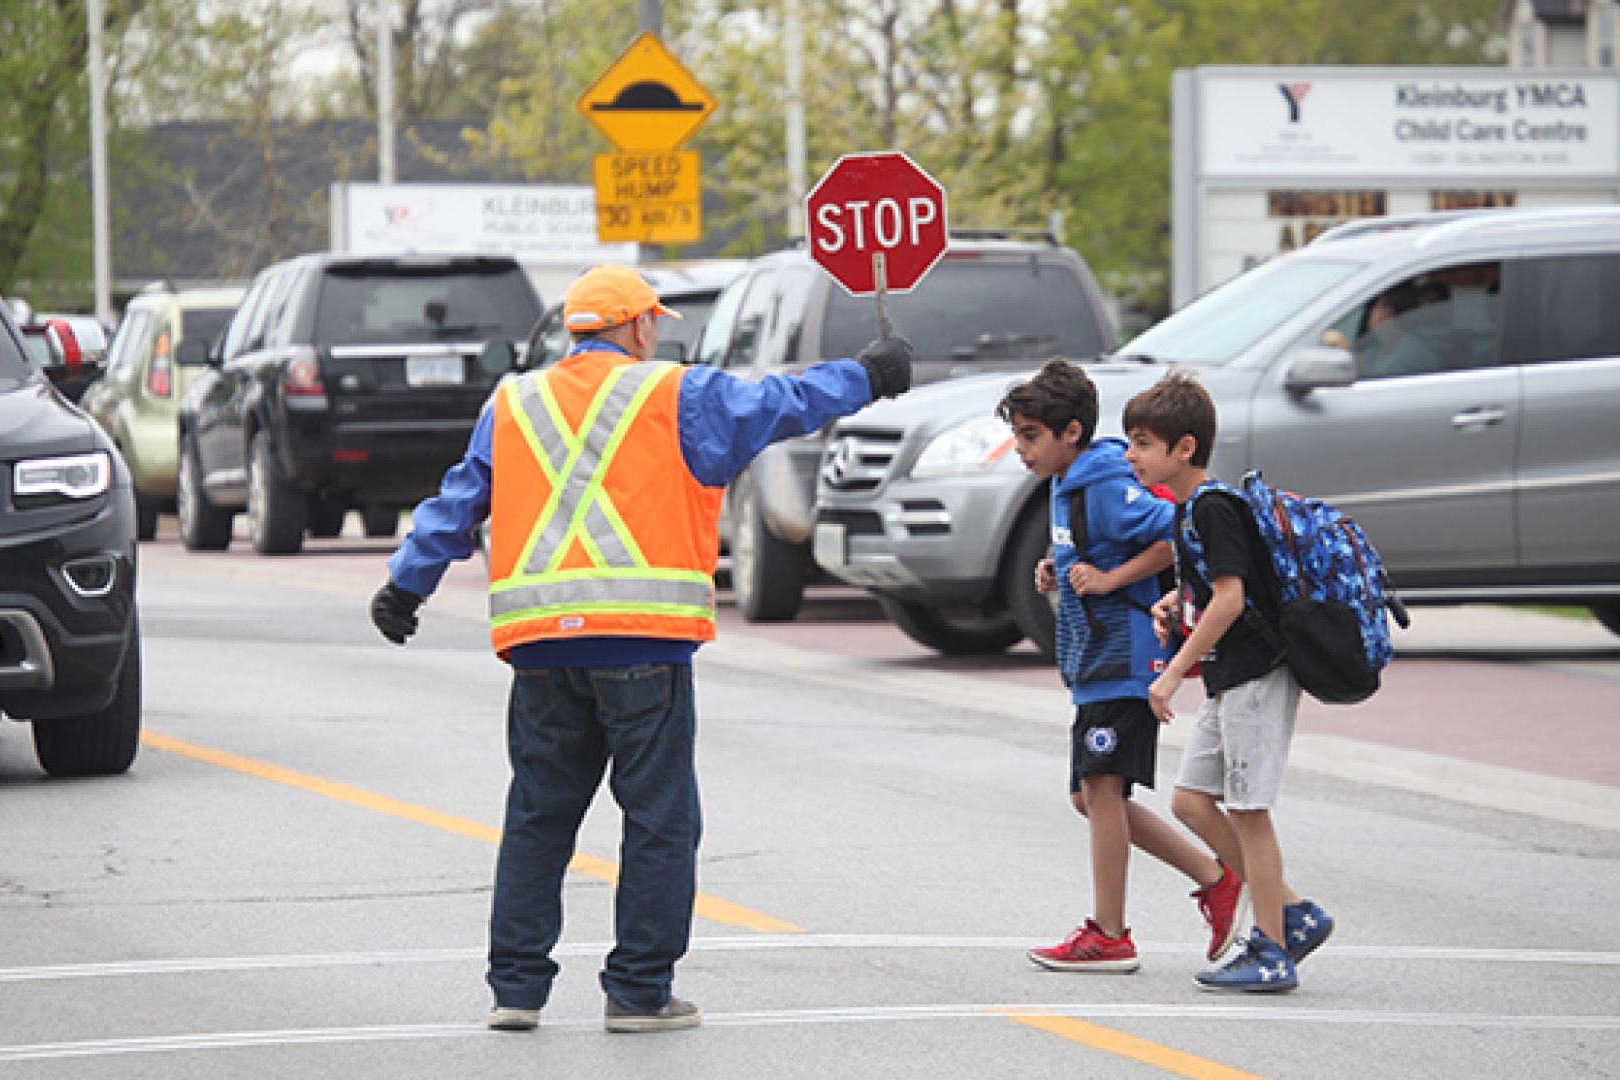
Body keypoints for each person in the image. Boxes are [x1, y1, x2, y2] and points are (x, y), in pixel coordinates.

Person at [369, 265, 913, 1034]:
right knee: (658, 819)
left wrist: (405, 583)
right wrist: (869, 375)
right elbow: (781, 405)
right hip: (643, 643)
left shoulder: (514, 400)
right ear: (641, 327)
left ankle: (516, 991)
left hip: (542, 651)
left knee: (538, 815)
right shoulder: (678, 393)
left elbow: (462, 496)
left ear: (573, 328)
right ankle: (638, 992)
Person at [1000, 359, 1247, 974]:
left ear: (1071, 432)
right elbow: (1104, 544)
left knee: (1102, 790)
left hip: (1127, 657)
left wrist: (1114, 578)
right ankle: (1216, 879)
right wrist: (1064, 568)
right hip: (1094, 661)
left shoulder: (1105, 481)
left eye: (1031, 435)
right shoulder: (1069, 482)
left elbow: (1178, 531)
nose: (1020, 449)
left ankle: (1110, 934)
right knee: (1091, 796)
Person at [1123, 372, 1334, 993]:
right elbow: (1213, 587)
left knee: (1249, 812)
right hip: (1230, 678)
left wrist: (1172, 674)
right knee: (1191, 800)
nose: (1130, 455)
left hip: (1256, 677)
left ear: (1183, 448)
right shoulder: (1192, 511)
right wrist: (1172, 600)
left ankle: (1270, 949)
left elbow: (1231, 599)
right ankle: (1293, 913)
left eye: (1141, 442)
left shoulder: (1213, 507)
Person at [1354, 283, 1440, 379]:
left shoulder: (1411, 351)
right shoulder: (1380, 348)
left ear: (1387, 312)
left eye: (1377, 306)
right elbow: (1359, 363)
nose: (1371, 312)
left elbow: (1378, 379)